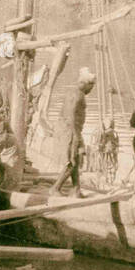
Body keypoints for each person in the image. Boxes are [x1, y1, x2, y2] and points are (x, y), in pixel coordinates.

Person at [53, 68, 95, 197]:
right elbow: (70, 114)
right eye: (91, 87)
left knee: (76, 158)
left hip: (72, 129)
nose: (91, 90)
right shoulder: (78, 94)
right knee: (72, 162)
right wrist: (75, 135)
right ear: (86, 84)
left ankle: (76, 190)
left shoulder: (74, 92)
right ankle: (55, 189)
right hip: (70, 130)